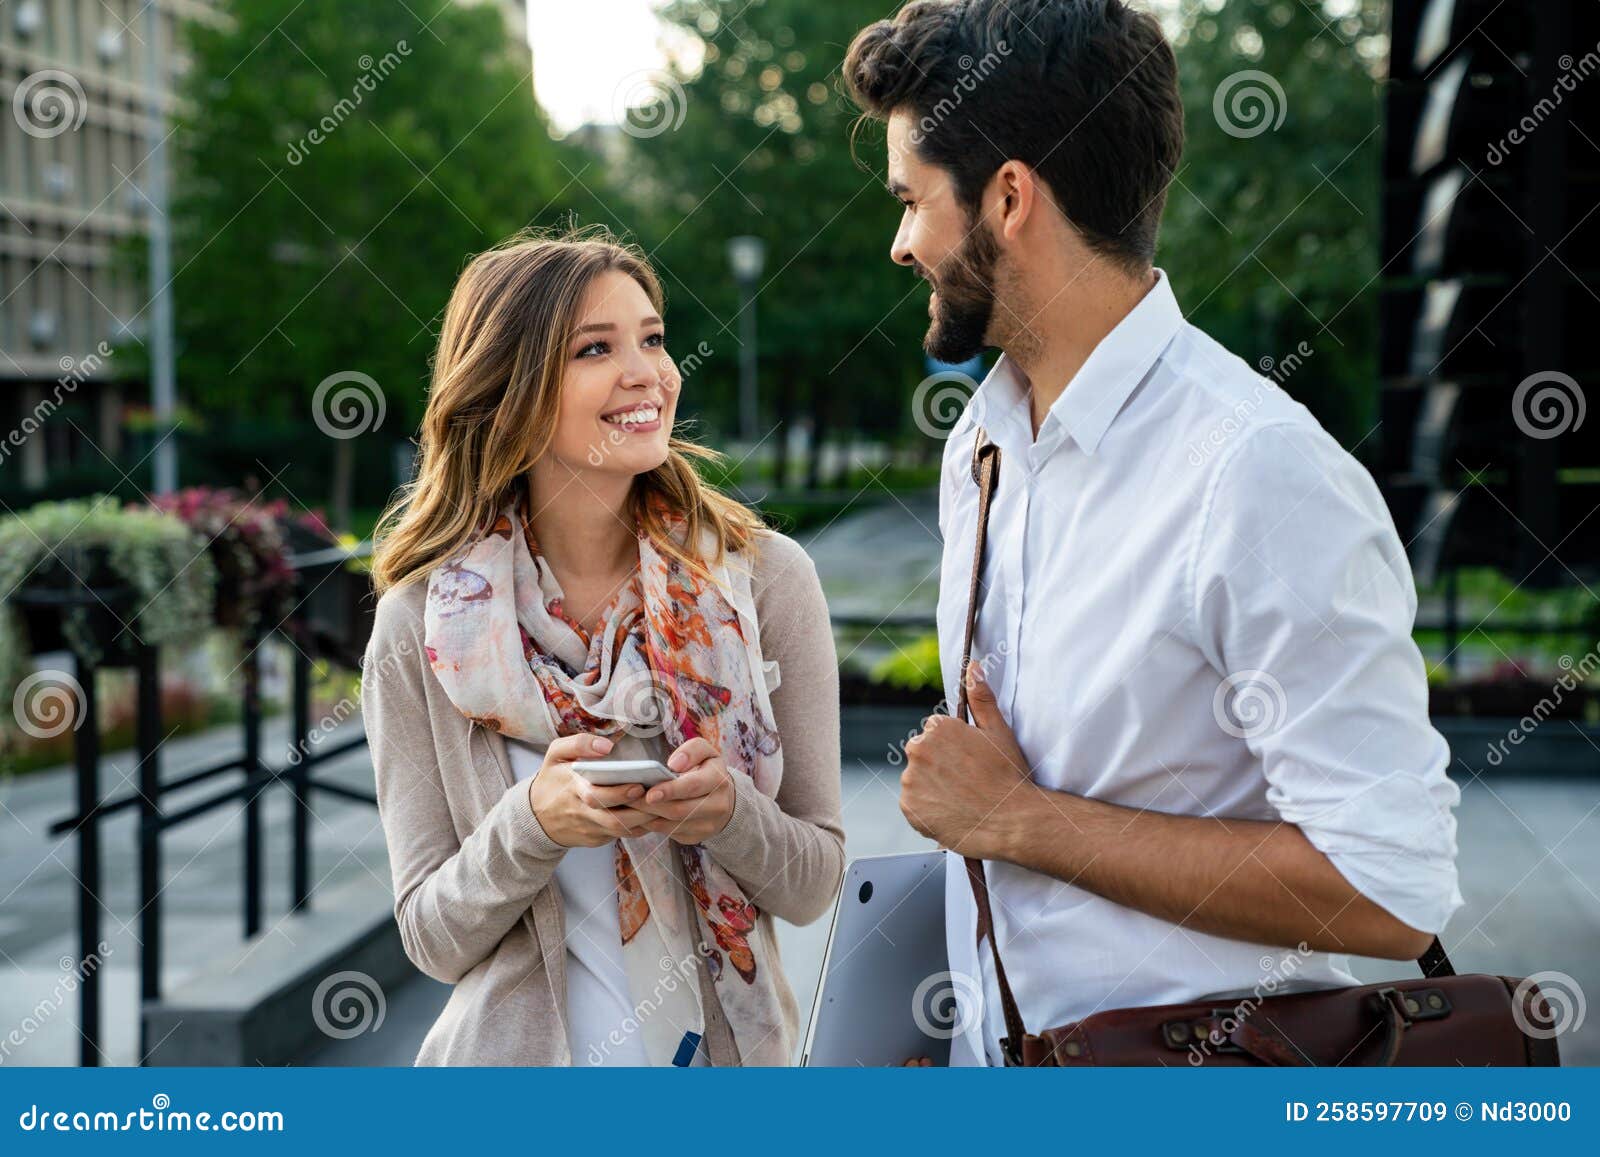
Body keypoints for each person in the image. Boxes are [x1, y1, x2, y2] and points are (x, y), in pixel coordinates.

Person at [843, 0, 1463, 1066]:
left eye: (911, 201)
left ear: (1009, 197)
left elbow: (1390, 888)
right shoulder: (980, 445)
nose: (901, 244)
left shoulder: (1257, 471)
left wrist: (1020, 820)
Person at [361, 227, 845, 1066]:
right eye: (596, 348)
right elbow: (432, 938)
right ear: (509, 388)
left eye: (652, 339)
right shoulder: (421, 626)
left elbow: (813, 884)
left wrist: (730, 814)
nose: (648, 372)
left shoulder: (765, 583)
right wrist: (534, 823)